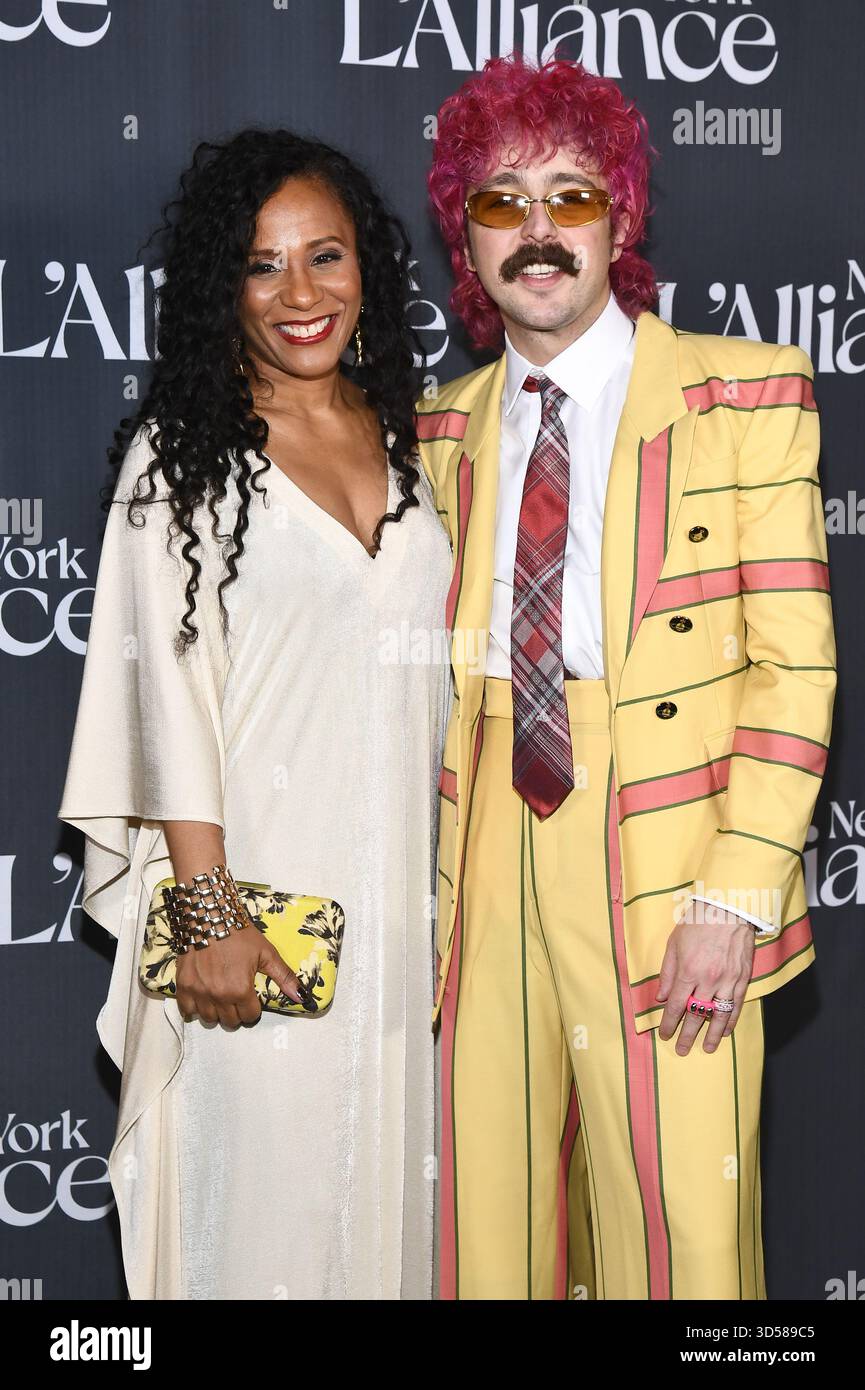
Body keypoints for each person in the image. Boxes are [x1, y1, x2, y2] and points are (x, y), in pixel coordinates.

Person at [418, 55, 836, 1300]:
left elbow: (794, 664)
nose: (538, 232)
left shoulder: (745, 395)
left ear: (622, 217)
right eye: (501, 200)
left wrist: (735, 892)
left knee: (686, 1244)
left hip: (669, 850)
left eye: (571, 196)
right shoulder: (437, 428)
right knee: (486, 1231)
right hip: (486, 832)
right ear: (466, 233)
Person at [58, 130, 452, 1300]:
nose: (299, 294)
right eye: (261, 265)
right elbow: (164, 696)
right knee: (264, 1236)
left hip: (402, 938)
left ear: (366, 270)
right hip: (262, 933)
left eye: (324, 257)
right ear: (218, 291)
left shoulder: (412, 447)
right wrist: (209, 911)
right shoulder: (180, 462)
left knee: (388, 1231)